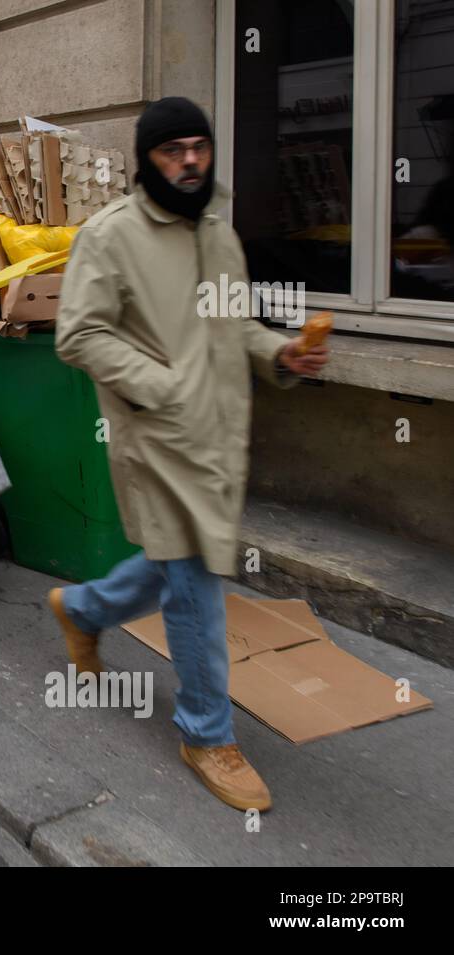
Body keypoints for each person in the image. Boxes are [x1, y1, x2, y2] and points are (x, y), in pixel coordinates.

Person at [51, 97, 331, 813]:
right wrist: (164, 386)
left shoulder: (217, 230)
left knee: (175, 568)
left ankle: (82, 610)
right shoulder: (110, 236)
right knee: (199, 581)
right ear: (148, 159)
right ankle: (207, 733)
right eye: (173, 149)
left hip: (216, 440)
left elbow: (232, 327)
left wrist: (284, 354)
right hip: (155, 439)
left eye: (199, 147)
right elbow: (77, 335)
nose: (190, 161)